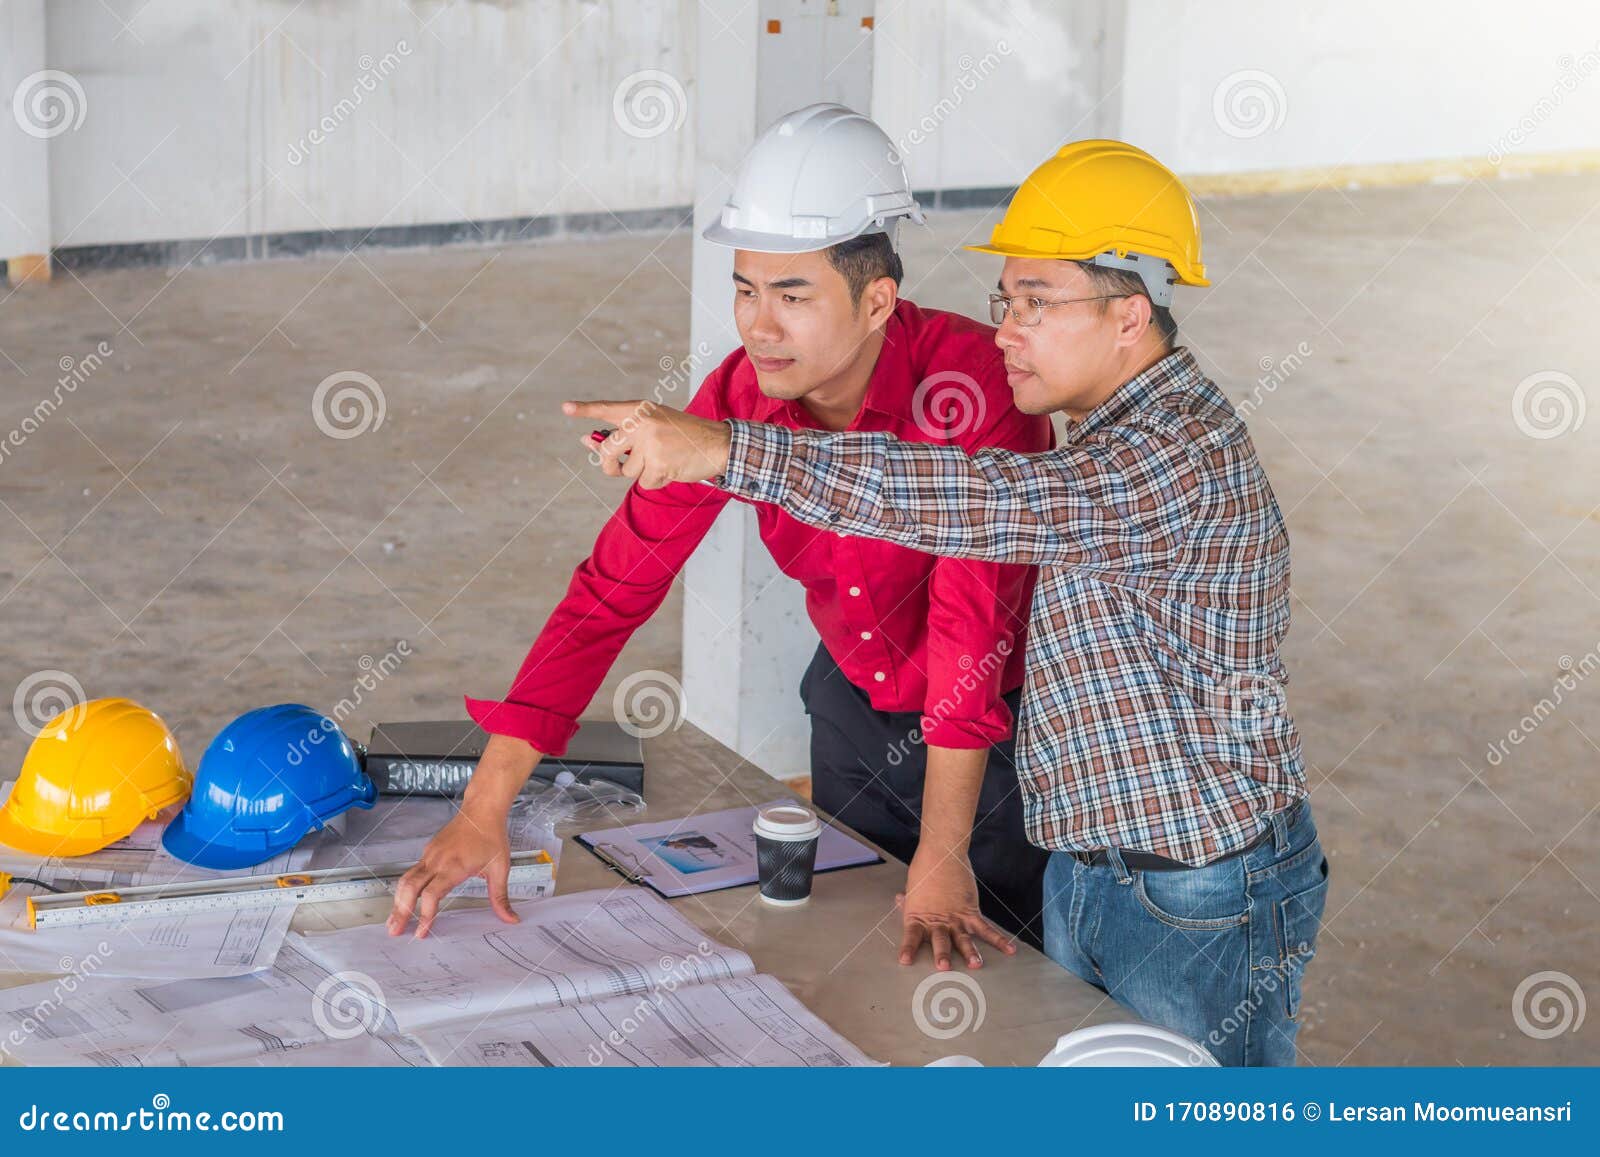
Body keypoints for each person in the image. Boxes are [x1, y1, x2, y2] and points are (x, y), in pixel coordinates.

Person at [565, 139, 1329, 1066]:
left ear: (1129, 316)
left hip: (1195, 890)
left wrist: (731, 451)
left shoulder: (1167, 459)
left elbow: (971, 500)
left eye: (1036, 303)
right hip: (1091, 865)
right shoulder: (1109, 431)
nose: (1004, 329)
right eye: (1004, 302)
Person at [389, 104, 1053, 969]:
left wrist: (943, 849)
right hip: (851, 717)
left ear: (877, 299)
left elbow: (971, 636)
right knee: (854, 964)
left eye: (792, 294)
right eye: (745, 289)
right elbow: (612, 590)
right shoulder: (740, 395)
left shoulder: (974, 391)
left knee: (1004, 988)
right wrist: (485, 808)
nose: (757, 325)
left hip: (996, 743)